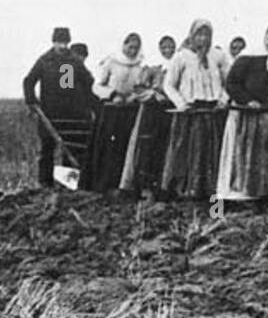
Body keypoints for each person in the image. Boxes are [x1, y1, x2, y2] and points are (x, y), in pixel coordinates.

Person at [216, 23, 268, 206]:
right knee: (253, 156)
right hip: (254, 118)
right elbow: (232, 83)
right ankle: (248, 196)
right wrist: (247, 100)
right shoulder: (248, 58)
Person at [160, 18, 230, 199]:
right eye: (199, 34)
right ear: (192, 35)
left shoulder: (218, 56)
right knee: (187, 155)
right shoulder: (181, 57)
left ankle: (214, 204)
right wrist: (182, 104)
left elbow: (229, 82)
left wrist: (223, 100)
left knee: (212, 157)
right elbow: (169, 85)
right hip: (190, 114)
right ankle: (187, 197)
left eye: (207, 35)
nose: (203, 39)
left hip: (213, 113)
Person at [22, 27, 95, 188]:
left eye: (65, 42)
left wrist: (89, 105)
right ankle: (45, 184)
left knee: (70, 149)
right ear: (53, 42)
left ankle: (68, 184)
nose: (62, 46)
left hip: (71, 114)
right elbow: (29, 81)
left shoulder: (74, 61)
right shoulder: (44, 60)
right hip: (48, 113)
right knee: (47, 148)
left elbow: (88, 83)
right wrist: (31, 102)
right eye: (59, 42)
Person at [81, 33, 149, 192]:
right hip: (112, 111)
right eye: (130, 47)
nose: (132, 51)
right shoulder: (112, 62)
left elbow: (141, 85)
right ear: (124, 45)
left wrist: (135, 95)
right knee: (109, 148)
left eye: (136, 48)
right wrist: (112, 94)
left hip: (131, 111)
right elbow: (97, 86)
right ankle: (104, 184)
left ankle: (123, 184)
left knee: (127, 147)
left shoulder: (140, 65)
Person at [118, 34, 177, 198]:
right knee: (147, 147)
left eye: (171, 47)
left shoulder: (176, 65)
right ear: (159, 49)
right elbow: (138, 89)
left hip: (169, 111)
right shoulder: (151, 67)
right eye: (164, 47)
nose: (168, 50)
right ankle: (144, 187)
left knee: (166, 147)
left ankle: (164, 187)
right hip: (151, 112)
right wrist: (152, 94)